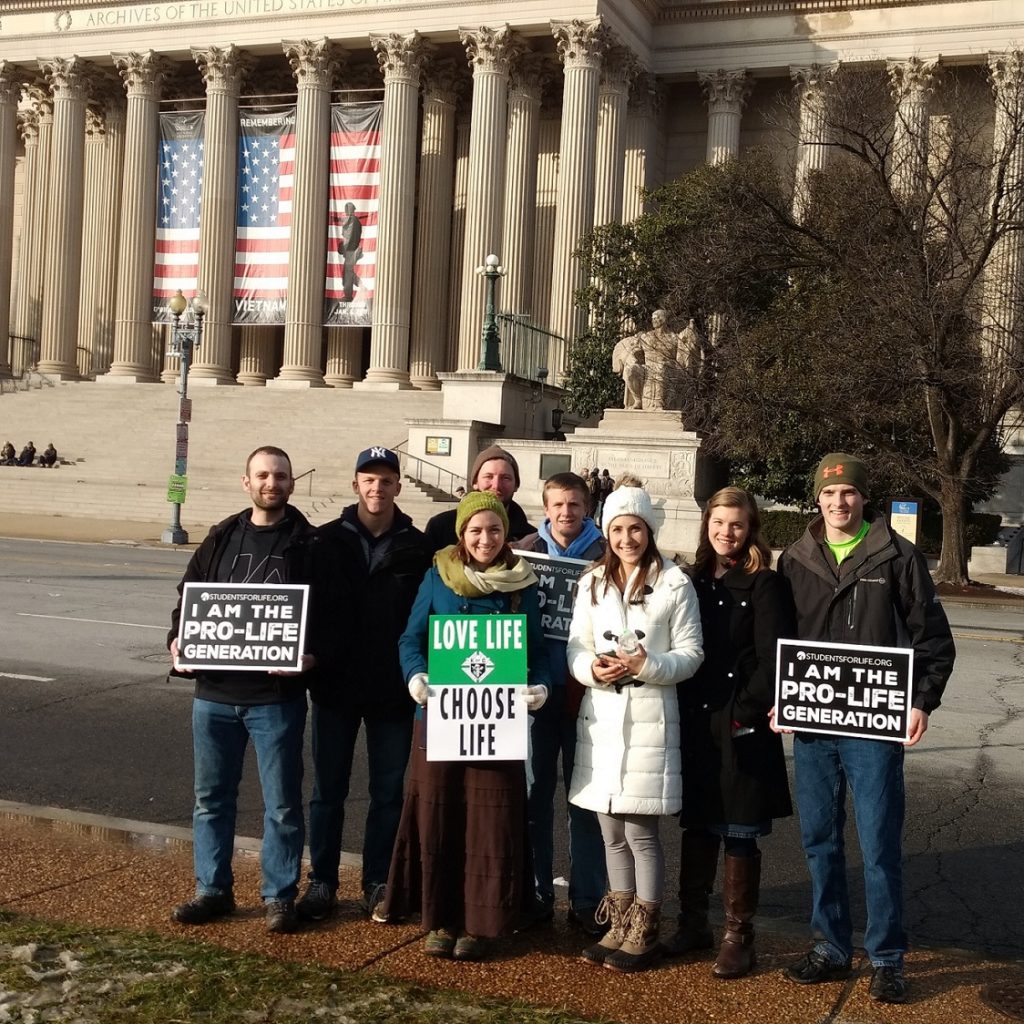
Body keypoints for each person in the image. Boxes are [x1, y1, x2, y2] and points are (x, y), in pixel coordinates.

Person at [776, 453, 955, 1004]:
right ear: (817, 498)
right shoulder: (795, 560)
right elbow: (777, 638)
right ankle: (830, 946)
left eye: (848, 493)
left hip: (873, 727)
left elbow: (933, 639)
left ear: (863, 498)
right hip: (813, 726)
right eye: (829, 493)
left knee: (878, 845)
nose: (839, 502)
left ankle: (886, 957)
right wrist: (780, 696)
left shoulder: (898, 555)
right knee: (819, 841)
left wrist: (921, 701)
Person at [380, 491, 551, 961]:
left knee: (488, 823)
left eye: (494, 529)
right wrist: (415, 676)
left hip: (497, 724)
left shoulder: (522, 582)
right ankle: (440, 918)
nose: (485, 539)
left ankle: (480, 923)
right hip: (440, 719)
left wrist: (540, 687)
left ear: (505, 534)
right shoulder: (438, 574)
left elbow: (537, 651)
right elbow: (411, 639)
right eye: (475, 530)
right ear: (461, 533)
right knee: (439, 817)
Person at [167, 446, 326, 934]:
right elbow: (188, 598)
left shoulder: (311, 544)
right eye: (262, 475)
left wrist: (313, 657)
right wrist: (176, 638)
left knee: (282, 805)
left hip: (275, 699)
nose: (271, 483)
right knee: (210, 799)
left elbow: (332, 615)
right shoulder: (221, 536)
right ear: (246, 482)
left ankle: (279, 896)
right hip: (214, 695)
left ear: (292, 483)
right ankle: (212, 889)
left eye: (280, 476)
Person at [567, 486, 704, 973]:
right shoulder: (591, 583)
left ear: (649, 531)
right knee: (610, 831)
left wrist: (647, 665)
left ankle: (645, 927)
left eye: (635, 529)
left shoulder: (674, 583)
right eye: (618, 529)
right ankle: (620, 919)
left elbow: (691, 654)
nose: (626, 539)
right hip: (603, 718)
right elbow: (576, 646)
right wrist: (591, 669)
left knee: (640, 831)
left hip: (649, 717)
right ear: (606, 533)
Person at [664, 487, 793, 979]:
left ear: (750, 528)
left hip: (741, 722)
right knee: (698, 825)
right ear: (707, 525)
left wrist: (743, 714)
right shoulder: (692, 578)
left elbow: (772, 658)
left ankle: (739, 936)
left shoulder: (764, 584)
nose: (726, 532)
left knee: (739, 831)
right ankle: (692, 922)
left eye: (736, 524)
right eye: (718, 522)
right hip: (697, 717)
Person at [299, 446, 431, 923]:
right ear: (356, 484)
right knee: (327, 791)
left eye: (386, 480)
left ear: (398, 486)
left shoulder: (417, 546)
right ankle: (322, 880)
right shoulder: (323, 540)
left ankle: (378, 880)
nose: (377, 488)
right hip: (334, 685)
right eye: (369, 479)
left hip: (391, 690)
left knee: (388, 793)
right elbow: (303, 606)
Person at [515, 472, 608, 935]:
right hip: (534, 694)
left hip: (587, 695)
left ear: (587, 507)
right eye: (558, 504)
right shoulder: (523, 552)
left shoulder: (608, 554)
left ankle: (586, 898)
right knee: (533, 796)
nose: (566, 512)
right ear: (545, 508)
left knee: (585, 799)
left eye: (574, 504)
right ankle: (536, 892)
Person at [423, 445, 535, 552]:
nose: (496, 485)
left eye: (505, 478)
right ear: (475, 482)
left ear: (516, 485)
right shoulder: (441, 527)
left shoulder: (531, 539)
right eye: (488, 477)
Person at [339, 201, 363, 303]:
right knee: (348, 271)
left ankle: (349, 294)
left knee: (348, 273)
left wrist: (343, 248)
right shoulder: (355, 221)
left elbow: (348, 237)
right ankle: (361, 286)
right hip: (353, 250)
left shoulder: (352, 220)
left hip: (351, 250)